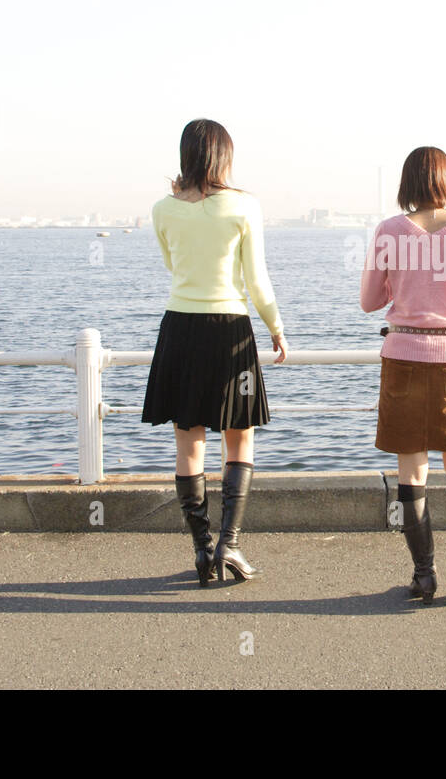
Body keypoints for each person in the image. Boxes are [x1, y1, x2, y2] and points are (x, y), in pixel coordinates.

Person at [141, 118, 288, 586]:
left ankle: (203, 551)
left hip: (180, 328)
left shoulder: (163, 209)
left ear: (186, 154)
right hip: (229, 331)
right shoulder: (244, 207)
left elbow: (171, 264)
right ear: (224, 156)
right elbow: (256, 280)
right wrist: (277, 328)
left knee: (190, 439)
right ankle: (230, 544)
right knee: (238, 437)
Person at [360, 146, 446, 602]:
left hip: (403, 352)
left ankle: (424, 576)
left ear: (407, 183)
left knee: (411, 464)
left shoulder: (388, 231)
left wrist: (401, 289)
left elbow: (369, 300)